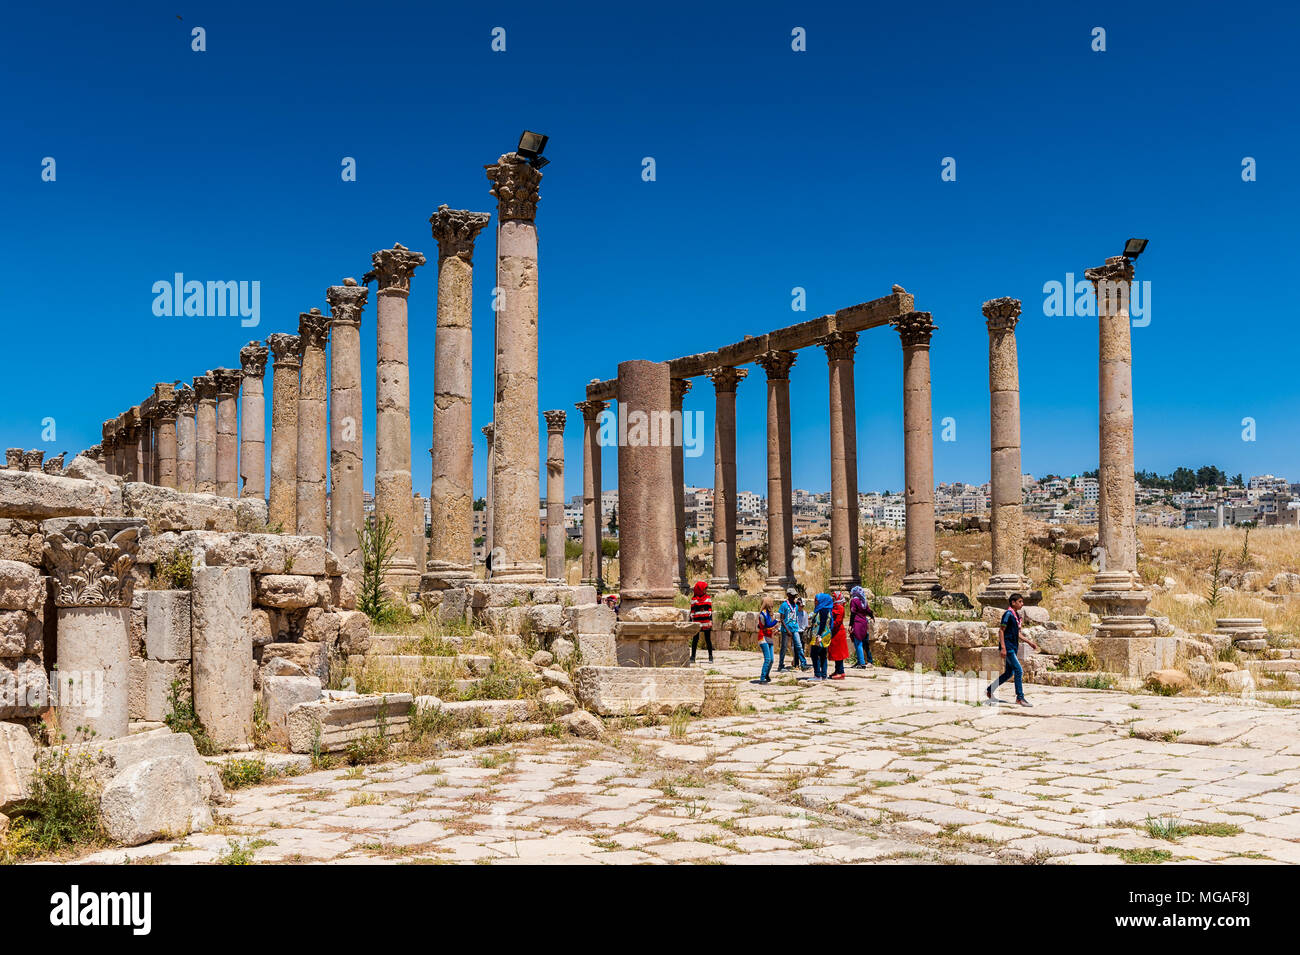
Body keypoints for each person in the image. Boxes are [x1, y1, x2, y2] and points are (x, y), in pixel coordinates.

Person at [986, 592, 1038, 706]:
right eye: (1020, 601)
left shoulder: (1016, 616)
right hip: (1008, 647)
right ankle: (1020, 698)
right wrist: (1003, 648)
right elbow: (1001, 630)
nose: (1022, 604)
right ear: (1013, 602)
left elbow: (1018, 633)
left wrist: (1029, 642)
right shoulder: (1008, 614)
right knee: (1019, 670)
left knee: (1009, 673)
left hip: (1014, 647)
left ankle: (990, 690)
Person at [777, 588, 807, 671]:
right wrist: (787, 630)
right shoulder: (784, 605)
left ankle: (803, 664)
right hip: (786, 629)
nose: (794, 597)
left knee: (799, 646)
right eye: (792, 595)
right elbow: (782, 619)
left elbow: (795, 616)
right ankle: (780, 664)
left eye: (795, 595)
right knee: (784, 647)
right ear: (788, 595)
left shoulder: (795, 605)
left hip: (794, 628)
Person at [806, 593, 833, 680]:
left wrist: (819, 635)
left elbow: (822, 623)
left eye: (816, 600)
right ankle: (824, 675)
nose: (815, 601)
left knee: (814, 654)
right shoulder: (824, 609)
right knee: (822, 655)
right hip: (824, 636)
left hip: (820, 636)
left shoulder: (823, 610)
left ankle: (817, 675)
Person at [849, 586, 875, 668]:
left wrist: (850, 625)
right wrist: (872, 616)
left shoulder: (854, 601)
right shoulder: (864, 601)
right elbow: (868, 611)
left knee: (858, 643)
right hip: (864, 623)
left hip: (857, 624)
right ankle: (869, 661)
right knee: (865, 643)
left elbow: (853, 613)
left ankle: (862, 663)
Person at [689, 580, 714, 664]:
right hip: (697, 622)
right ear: (699, 589)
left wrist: (710, 621)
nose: (705, 590)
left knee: (708, 640)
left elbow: (710, 611)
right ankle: (693, 657)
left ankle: (710, 656)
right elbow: (692, 612)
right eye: (704, 589)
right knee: (695, 640)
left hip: (706, 622)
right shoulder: (694, 599)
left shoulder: (708, 598)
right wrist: (691, 622)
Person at [828, 590, 851, 679]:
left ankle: (841, 672)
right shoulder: (834, 606)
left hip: (838, 633)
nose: (832, 598)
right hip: (834, 633)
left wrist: (830, 625)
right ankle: (837, 670)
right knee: (835, 653)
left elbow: (838, 621)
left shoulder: (840, 608)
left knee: (839, 653)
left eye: (833, 596)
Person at [756, 596, 777, 684]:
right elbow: (768, 624)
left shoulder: (770, 614)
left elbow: (771, 626)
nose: (772, 605)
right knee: (767, 659)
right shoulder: (762, 614)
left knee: (772, 660)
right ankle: (762, 678)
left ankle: (766, 674)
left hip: (769, 638)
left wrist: (775, 629)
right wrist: (776, 621)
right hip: (763, 638)